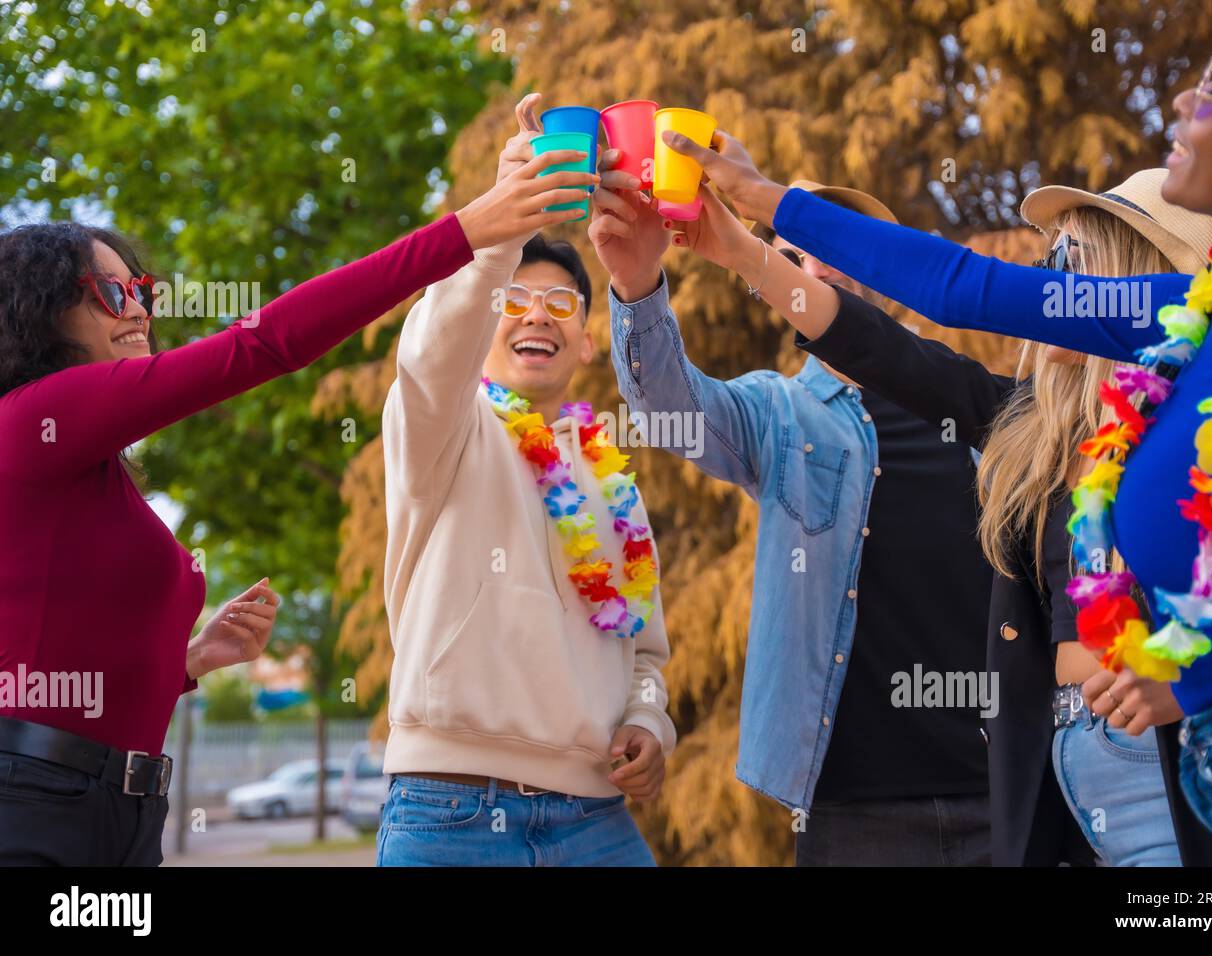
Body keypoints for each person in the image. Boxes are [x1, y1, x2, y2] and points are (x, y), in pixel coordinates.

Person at [664, 5, 1212, 865]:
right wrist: (761, 208)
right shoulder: (1177, 321)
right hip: (1169, 769)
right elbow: (961, 289)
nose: (1188, 97)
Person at [0, 121, 594, 866]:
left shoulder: (91, 468)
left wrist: (190, 665)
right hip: (36, 809)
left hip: (119, 811)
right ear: (43, 311)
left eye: (144, 289)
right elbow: (265, 342)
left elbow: (60, 652)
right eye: (112, 291)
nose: (140, 308)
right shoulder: (35, 419)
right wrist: (469, 230)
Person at [591, 156, 993, 865]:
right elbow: (668, 409)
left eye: (834, 241)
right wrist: (634, 282)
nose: (814, 263)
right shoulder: (777, 412)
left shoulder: (972, 408)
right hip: (854, 805)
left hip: (1002, 791)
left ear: (882, 264)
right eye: (791, 251)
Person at [376, 96, 675, 868]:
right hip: (450, 808)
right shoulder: (442, 427)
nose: (534, 317)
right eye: (515, 301)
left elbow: (644, 653)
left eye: (558, 305)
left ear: (583, 337)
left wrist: (650, 722)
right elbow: (433, 350)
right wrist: (498, 234)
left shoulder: (612, 480)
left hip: (596, 819)